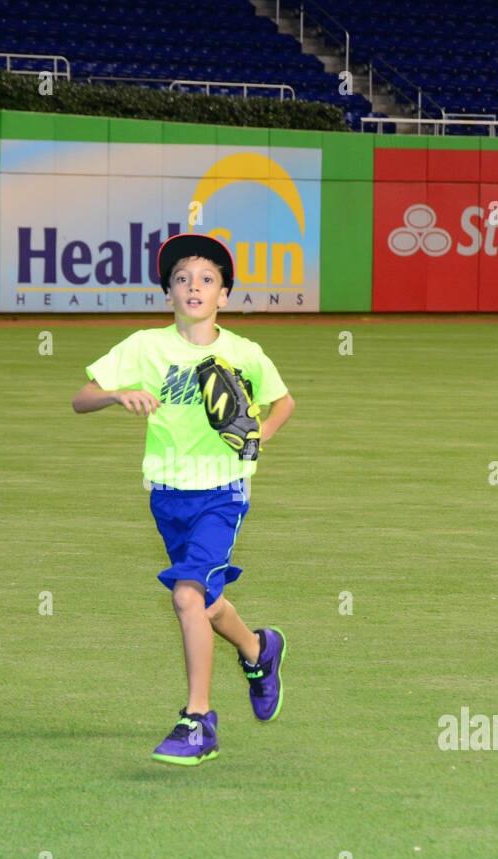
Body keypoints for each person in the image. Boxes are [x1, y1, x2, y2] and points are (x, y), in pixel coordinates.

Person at [71, 233, 296, 765]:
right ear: (168, 292)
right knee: (208, 601)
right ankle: (259, 650)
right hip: (168, 497)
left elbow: (283, 402)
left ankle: (198, 720)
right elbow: (80, 399)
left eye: (207, 278)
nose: (193, 286)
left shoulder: (244, 353)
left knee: (186, 597)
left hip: (222, 491)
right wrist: (114, 393)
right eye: (181, 279)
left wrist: (255, 437)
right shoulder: (145, 347)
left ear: (224, 294)